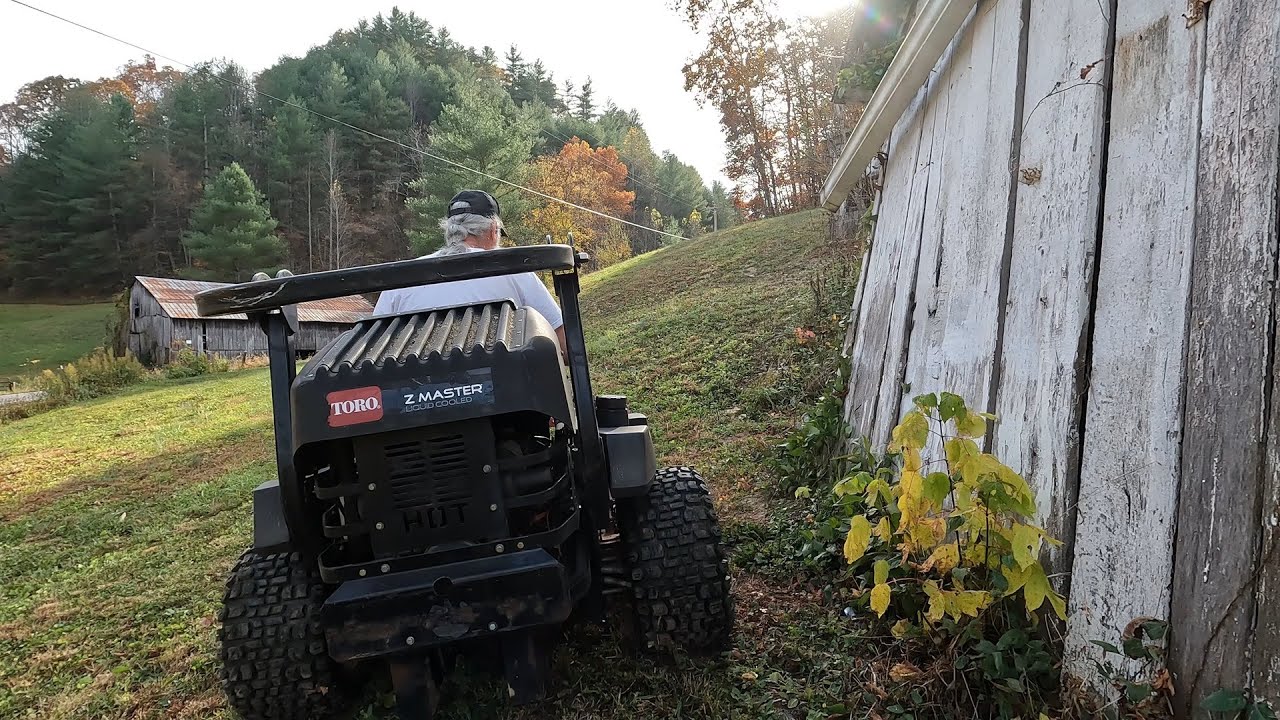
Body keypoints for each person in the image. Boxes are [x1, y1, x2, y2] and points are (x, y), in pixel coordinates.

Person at [373, 190, 567, 352]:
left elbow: (372, 348)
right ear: (493, 230)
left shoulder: (402, 278)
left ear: (450, 231)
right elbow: (565, 344)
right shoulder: (515, 270)